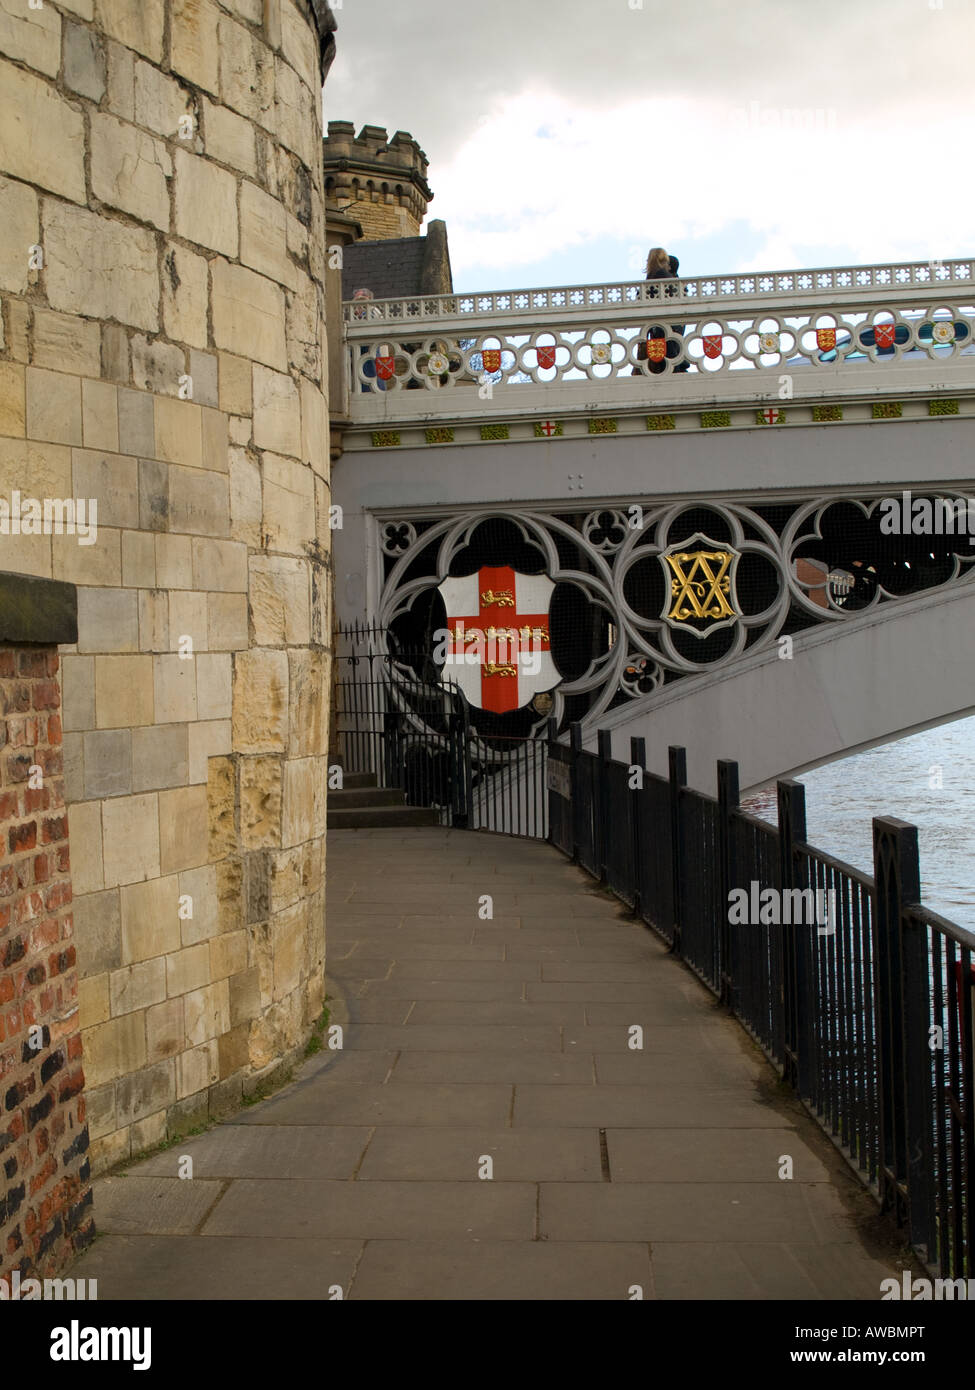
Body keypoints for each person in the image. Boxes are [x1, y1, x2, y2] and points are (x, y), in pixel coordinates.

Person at [636, 248, 687, 374]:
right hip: (669, 320)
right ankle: (678, 367)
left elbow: (640, 296)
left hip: (662, 320)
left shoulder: (655, 275)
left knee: (668, 350)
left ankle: (677, 368)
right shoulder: (664, 275)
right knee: (670, 348)